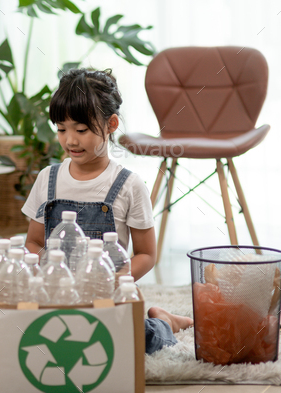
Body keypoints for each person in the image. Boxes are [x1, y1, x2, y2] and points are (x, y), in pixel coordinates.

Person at [21, 68, 192, 354]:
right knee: (38, 343)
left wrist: (117, 280)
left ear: (111, 124)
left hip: (109, 293)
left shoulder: (128, 185)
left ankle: (163, 320)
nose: (70, 141)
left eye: (81, 130)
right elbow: (34, 241)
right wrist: (51, 272)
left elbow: (147, 254)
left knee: (132, 345)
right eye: (61, 129)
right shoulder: (47, 179)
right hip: (58, 292)